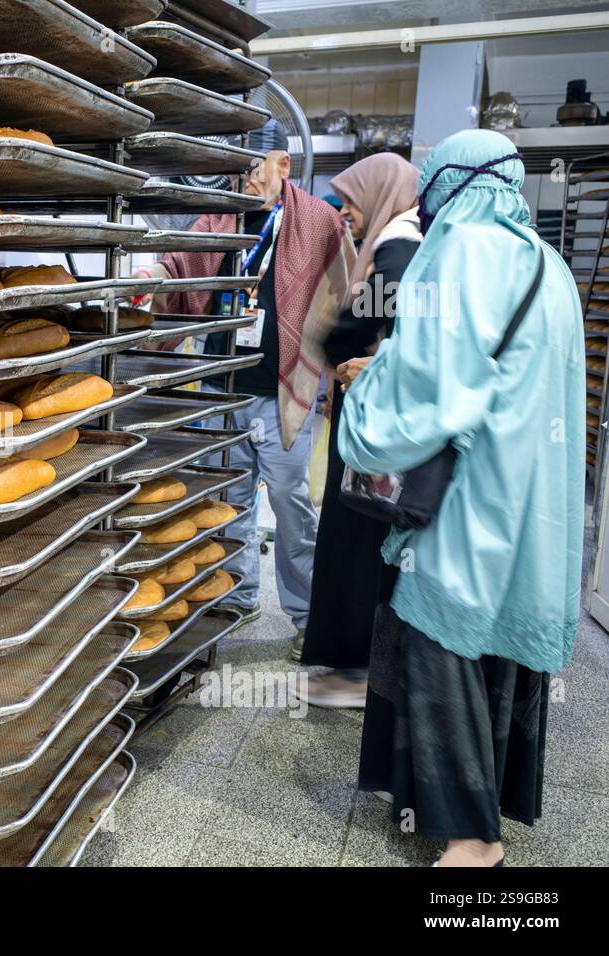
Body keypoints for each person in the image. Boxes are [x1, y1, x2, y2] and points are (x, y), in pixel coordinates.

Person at [338, 130, 583, 867]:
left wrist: (365, 408)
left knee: (439, 641)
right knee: (492, 652)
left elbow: (432, 387)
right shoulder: (550, 263)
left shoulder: (463, 252)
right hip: (534, 504)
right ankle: (479, 803)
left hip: (469, 501)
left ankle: (474, 837)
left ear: (453, 183)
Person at [144, 125, 356, 648]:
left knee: (290, 502)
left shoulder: (318, 222)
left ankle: (308, 616)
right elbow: (181, 263)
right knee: (231, 499)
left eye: (252, 169)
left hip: (280, 391)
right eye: (235, 169)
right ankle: (237, 598)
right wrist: (154, 276)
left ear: (282, 166)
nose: (241, 180)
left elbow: (345, 294)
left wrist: (340, 365)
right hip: (223, 388)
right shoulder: (221, 214)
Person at [297, 153, 423, 706]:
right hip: (383, 412)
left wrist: (335, 340)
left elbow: (376, 313)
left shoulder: (397, 244)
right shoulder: (406, 239)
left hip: (375, 418)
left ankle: (352, 675)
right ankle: (356, 671)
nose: (345, 210)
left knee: (356, 538)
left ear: (379, 193)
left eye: (352, 198)